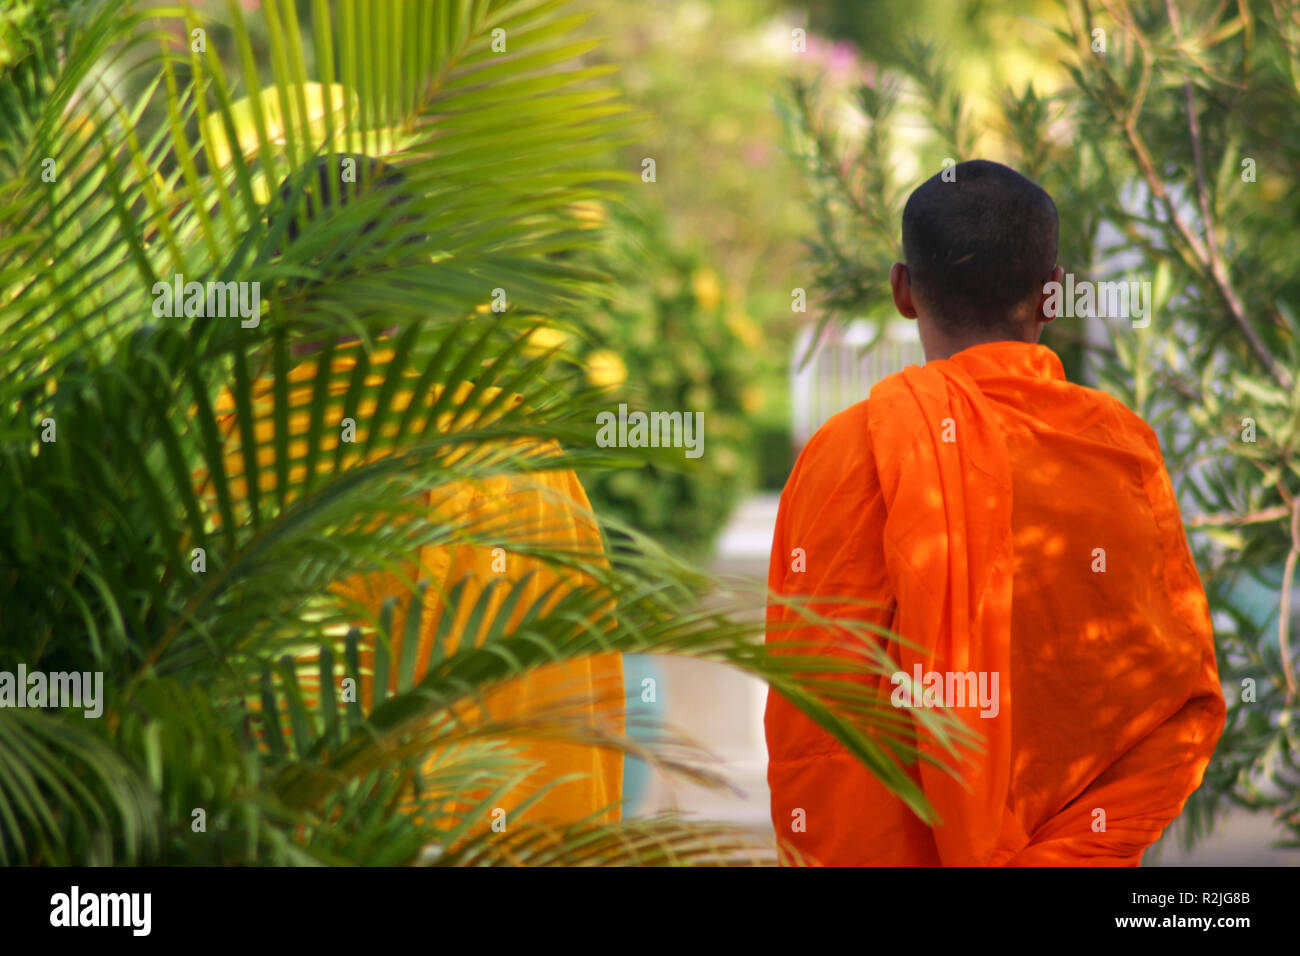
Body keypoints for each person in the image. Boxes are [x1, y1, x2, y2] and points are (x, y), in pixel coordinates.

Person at [764, 159, 1225, 866]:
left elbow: (812, 697)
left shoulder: (841, 453)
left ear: (903, 292)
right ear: (1050, 297)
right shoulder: (1116, 449)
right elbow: (1176, 696)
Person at [206, 154, 623, 830]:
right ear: (418, 289)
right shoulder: (509, 454)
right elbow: (572, 696)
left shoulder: (212, 453)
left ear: (274, 283)